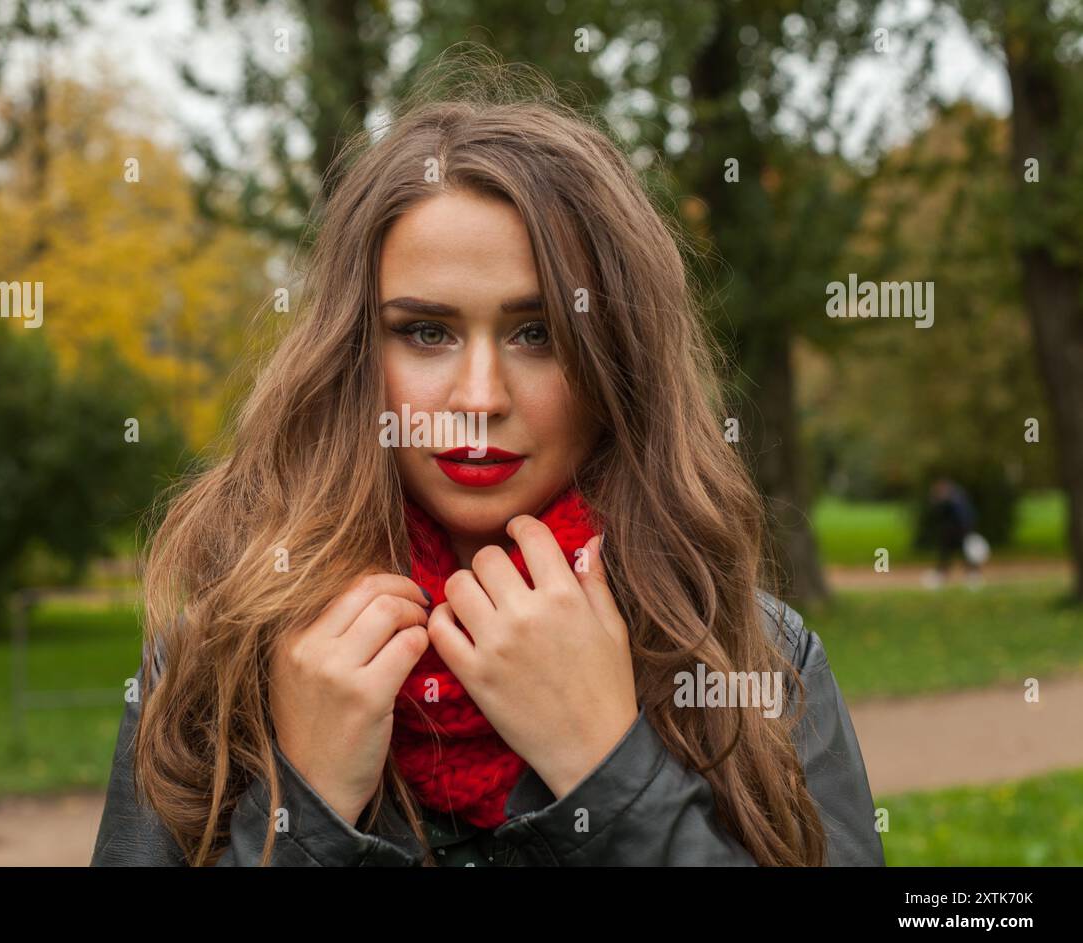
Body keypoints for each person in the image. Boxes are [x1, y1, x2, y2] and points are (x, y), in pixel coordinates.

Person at [90, 55, 884, 867]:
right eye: (425, 332)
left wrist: (610, 775)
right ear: (355, 356)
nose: (477, 395)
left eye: (536, 333)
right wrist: (305, 816)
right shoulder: (217, 656)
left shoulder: (749, 653)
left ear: (617, 360)